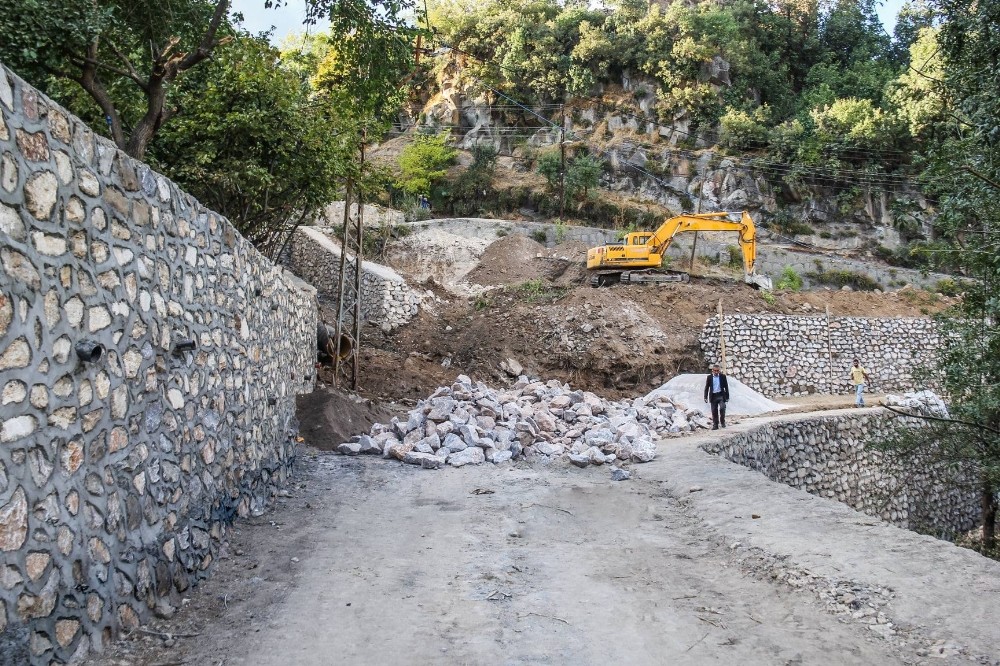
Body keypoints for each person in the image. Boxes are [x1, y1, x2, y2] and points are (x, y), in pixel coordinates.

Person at [703, 363, 730, 430]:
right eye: (715, 371)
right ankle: (715, 425)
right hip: (713, 396)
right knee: (714, 411)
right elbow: (707, 387)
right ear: (712, 370)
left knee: (722, 408)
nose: (716, 372)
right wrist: (705, 397)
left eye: (717, 371)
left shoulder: (723, 377)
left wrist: (727, 397)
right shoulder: (709, 377)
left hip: (721, 395)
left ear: (719, 370)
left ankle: (722, 421)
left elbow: (726, 387)